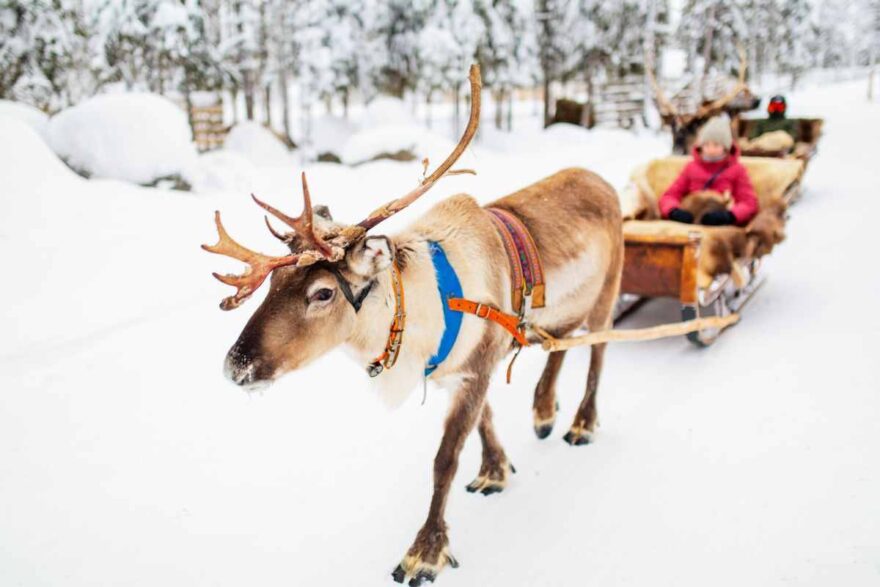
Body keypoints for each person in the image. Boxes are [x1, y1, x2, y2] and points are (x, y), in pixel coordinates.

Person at [660, 116, 758, 226]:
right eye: (706, 145)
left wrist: (730, 216)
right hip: (692, 220)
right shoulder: (691, 168)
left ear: (726, 147)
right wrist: (674, 211)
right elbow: (670, 195)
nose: (711, 150)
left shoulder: (737, 170)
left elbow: (749, 202)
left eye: (716, 145)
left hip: (722, 225)